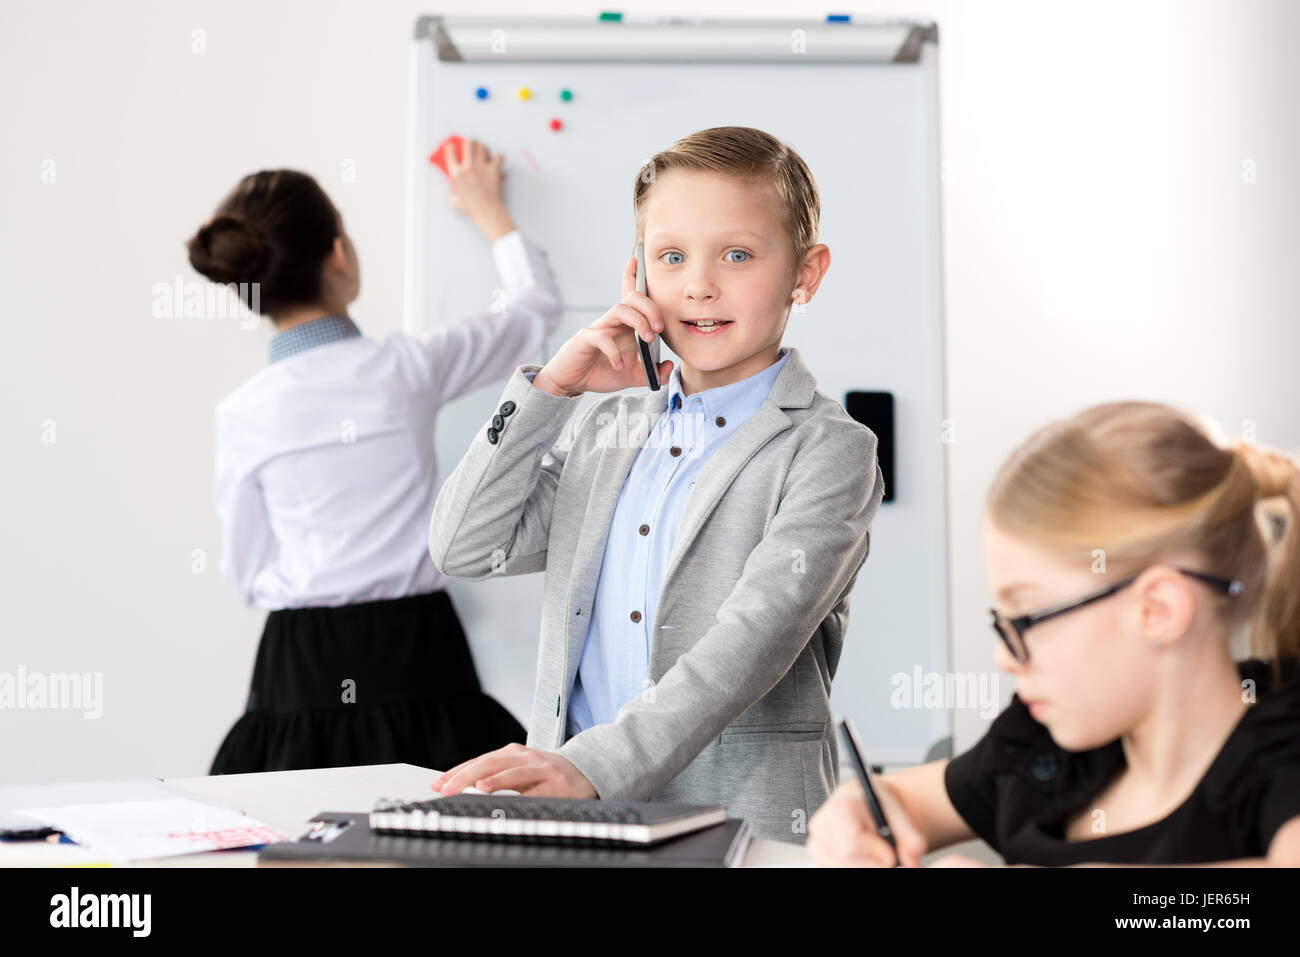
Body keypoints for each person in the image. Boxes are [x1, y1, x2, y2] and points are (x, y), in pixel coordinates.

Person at [427, 126, 884, 843]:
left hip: (745, 823)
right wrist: (553, 388)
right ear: (637, 276)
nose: (700, 283)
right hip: (582, 818)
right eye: (671, 256)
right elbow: (465, 545)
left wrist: (594, 764)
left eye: (737, 254)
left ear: (806, 272)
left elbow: (750, 641)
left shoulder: (829, 451)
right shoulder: (604, 427)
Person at [186, 140, 561, 774]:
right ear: (340, 254)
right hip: (416, 646)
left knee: (300, 836)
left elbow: (246, 573)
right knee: (449, 825)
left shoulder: (243, 412)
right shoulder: (404, 369)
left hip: (298, 659)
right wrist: (487, 211)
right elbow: (533, 313)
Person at [808, 401, 1300, 866]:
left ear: (1156, 610)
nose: (1004, 656)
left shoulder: (1280, 753)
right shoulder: (1045, 746)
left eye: (1025, 620)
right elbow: (905, 802)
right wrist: (859, 810)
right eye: (1000, 622)